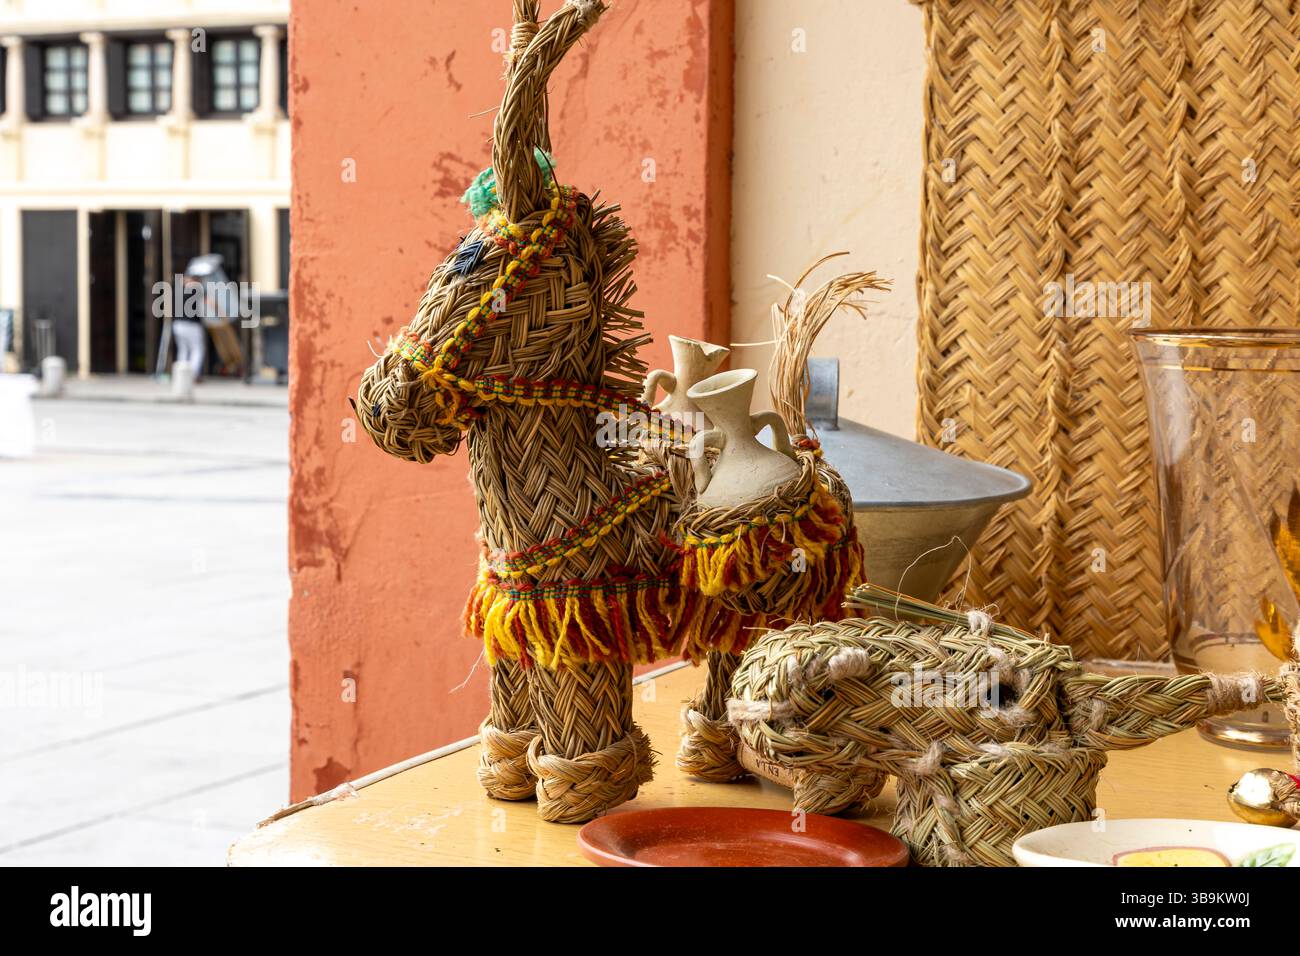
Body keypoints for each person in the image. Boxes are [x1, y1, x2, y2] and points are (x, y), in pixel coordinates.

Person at [173, 277, 209, 383]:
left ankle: (181, 376)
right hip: (191, 325)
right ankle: (193, 375)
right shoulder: (196, 289)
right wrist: (221, 312)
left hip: (178, 324)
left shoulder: (179, 290)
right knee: (197, 350)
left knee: (183, 350)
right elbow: (208, 301)